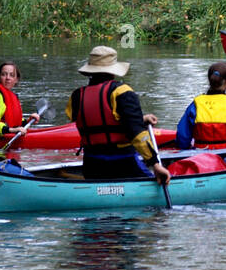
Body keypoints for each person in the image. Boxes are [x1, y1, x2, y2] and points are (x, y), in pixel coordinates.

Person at [66, 46, 171, 184]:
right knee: (153, 179)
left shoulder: (76, 95)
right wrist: (155, 164)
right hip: (123, 163)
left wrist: (141, 119)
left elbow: (87, 118)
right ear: (113, 71)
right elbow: (137, 133)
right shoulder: (122, 92)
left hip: (92, 165)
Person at [0, 61, 38, 142]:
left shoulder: (11, 96)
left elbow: (12, 121)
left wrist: (28, 121)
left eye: (12, 75)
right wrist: (11, 130)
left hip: (7, 134)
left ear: (16, 79)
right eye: (4, 74)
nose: (8, 78)